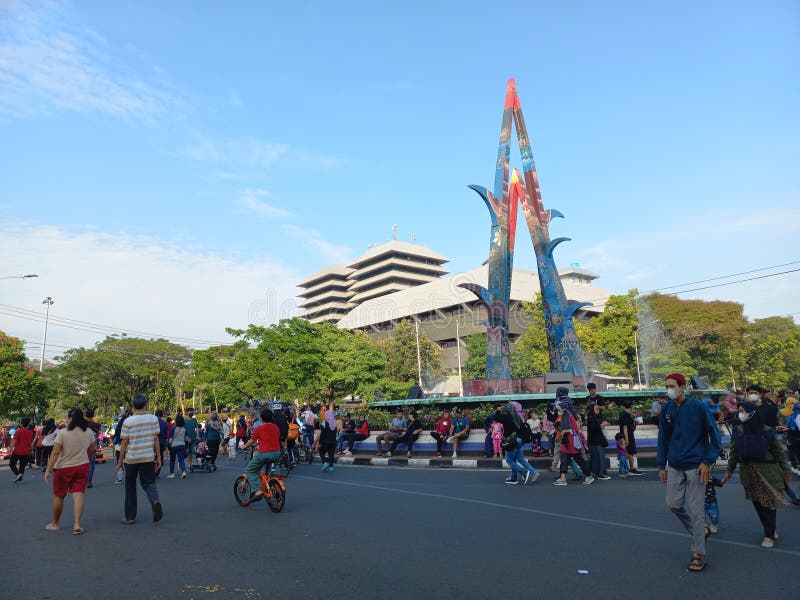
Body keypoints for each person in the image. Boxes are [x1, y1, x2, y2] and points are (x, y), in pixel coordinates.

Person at [657, 372, 721, 572]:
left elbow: (714, 433)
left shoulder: (698, 407)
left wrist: (708, 460)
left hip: (696, 465)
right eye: (667, 386)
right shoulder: (666, 409)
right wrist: (661, 465)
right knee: (673, 504)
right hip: (675, 465)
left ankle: (698, 555)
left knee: (696, 509)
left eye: (672, 386)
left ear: (683, 387)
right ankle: (699, 531)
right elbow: (663, 439)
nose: (669, 390)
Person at [720, 401, 792, 548]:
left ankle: (769, 535)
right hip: (748, 472)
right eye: (739, 410)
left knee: (769, 503)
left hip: (768, 472)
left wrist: (786, 471)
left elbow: (779, 453)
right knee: (757, 503)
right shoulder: (738, 430)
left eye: (742, 411)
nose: (740, 414)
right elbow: (733, 453)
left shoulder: (767, 431)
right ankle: (769, 528)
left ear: (752, 413)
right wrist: (729, 471)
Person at [42, 408, 95, 534]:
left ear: (71, 418)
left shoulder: (63, 433)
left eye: (67, 417)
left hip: (63, 468)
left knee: (59, 496)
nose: (66, 419)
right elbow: (92, 449)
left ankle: (55, 524)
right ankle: (77, 524)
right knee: (78, 494)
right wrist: (87, 458)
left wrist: (48, 469)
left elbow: (55, 452)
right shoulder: (88, 432)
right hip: (82, 466)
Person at [117, 394, 163, 525]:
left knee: (130, 486)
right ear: (145, 404)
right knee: (149, 483)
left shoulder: (128, 421)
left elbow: (124, 443)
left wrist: (120, 461)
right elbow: (156, 439)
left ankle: (130, 516)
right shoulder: (153, 419)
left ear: (133, 405)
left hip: (131, 459)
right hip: (148, 457)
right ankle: (154, 501)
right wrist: (159, 457)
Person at [552, 396, 594, 486]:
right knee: (564, 460)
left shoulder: (570, 416)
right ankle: (563, 479)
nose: (556, 409)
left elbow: (576, 429)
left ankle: (589, 476)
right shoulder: (562, 416)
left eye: (557, 407)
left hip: (573, 443)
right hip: (566, 442)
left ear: (562, 408)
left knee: (580, 461)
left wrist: (566, 431)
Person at [240, 408, 281, 500]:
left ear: (261, 419)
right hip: (276, 453)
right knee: (267, 473)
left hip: (264, 453)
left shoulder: (259, 428)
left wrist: (244, 446)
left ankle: (257, 490)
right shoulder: (276, 427)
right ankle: (268, 484)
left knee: (250, 470)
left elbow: (252, 441)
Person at [495, 403, 539, 485]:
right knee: (519, 459)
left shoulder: (507, 416)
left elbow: (496, 418)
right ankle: (529, 473)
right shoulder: (518, 417)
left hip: (511, 441)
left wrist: (498, 410)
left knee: (509, 460)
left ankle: (523, 472)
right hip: (519, 441)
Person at [587, 403, 610, 480]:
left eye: (598, 409)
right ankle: (600, 474)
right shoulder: (591, 418)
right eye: (596, 409)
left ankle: (599, 473)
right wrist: (602, 424)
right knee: (599, 458)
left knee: (599, 458)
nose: (598, 410)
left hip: (598, 441)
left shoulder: (596, 417)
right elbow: (594, 428)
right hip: (595, 441)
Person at [619, 402, 643, 476]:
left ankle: (630, 468)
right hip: (627, 436)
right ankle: (631, 468)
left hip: (630, 435)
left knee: (631, 452)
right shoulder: (625, 415)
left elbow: (631, 428)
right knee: (630, 452)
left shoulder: (628, 415)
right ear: (631, 406)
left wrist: (635, 424)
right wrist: (626, 439)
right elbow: (625, 427)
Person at [8, 417, 34, 483]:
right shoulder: (30, 432)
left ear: (21, 424)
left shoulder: (18, 432)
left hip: (17, 451)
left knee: (12, 464)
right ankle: (19, 476)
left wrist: (10, 449)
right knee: (22, 465)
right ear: (28, 425)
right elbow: (31, 443)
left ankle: (18, 474)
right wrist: (32, 450)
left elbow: (14, 441)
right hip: (26, 451)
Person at [166, 414, 188, 479]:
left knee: (172, 460)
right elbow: (186, 438)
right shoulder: (184, 429)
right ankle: (183, 472)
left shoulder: (174, 429)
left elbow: (170, 438)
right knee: (181, 460)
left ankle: (172, 473)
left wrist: (168, 445)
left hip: (173, 446)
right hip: (182, 445)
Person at [84, 408, 101, 488]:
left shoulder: (82, 424)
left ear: (85, 415)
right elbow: (98, 435)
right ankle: (89, 481)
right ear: (93, 415)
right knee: (92, 463)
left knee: (82, 462)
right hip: (93, 445)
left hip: (82, 445)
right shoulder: (97, 425)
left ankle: (82, 480)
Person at [154, 409, 168, 477]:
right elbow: (165, 435)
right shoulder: (165, 423)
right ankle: (157, 473)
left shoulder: (153, 422)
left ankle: (152, 470)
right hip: (162, 442)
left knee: (152, 456)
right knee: (160, 456)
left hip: (153, 442)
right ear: (162, 415)